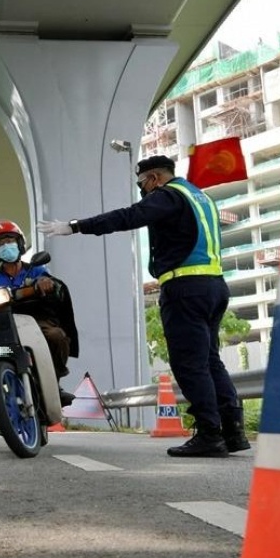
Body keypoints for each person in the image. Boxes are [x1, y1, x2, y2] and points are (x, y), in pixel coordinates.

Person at [40, 155, 249, 457]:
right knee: (210, 361)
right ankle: (233, 431)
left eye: (141, 184)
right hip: (214, 286)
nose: (142, 190)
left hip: (185, 289)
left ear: (153, 178)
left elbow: (128, 217)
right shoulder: (199, 196)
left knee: (190, 364)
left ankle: (209, 434)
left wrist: (75, 227)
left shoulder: (167, 196)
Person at [0, 219, 76, 406]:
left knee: (56, 336)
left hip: (34, 321)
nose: (6, 246)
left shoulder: (35, 269)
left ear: (19, 243)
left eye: (10, 241)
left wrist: (45, 283)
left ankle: (55, 384)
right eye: (1, 244)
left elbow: (49, 282)